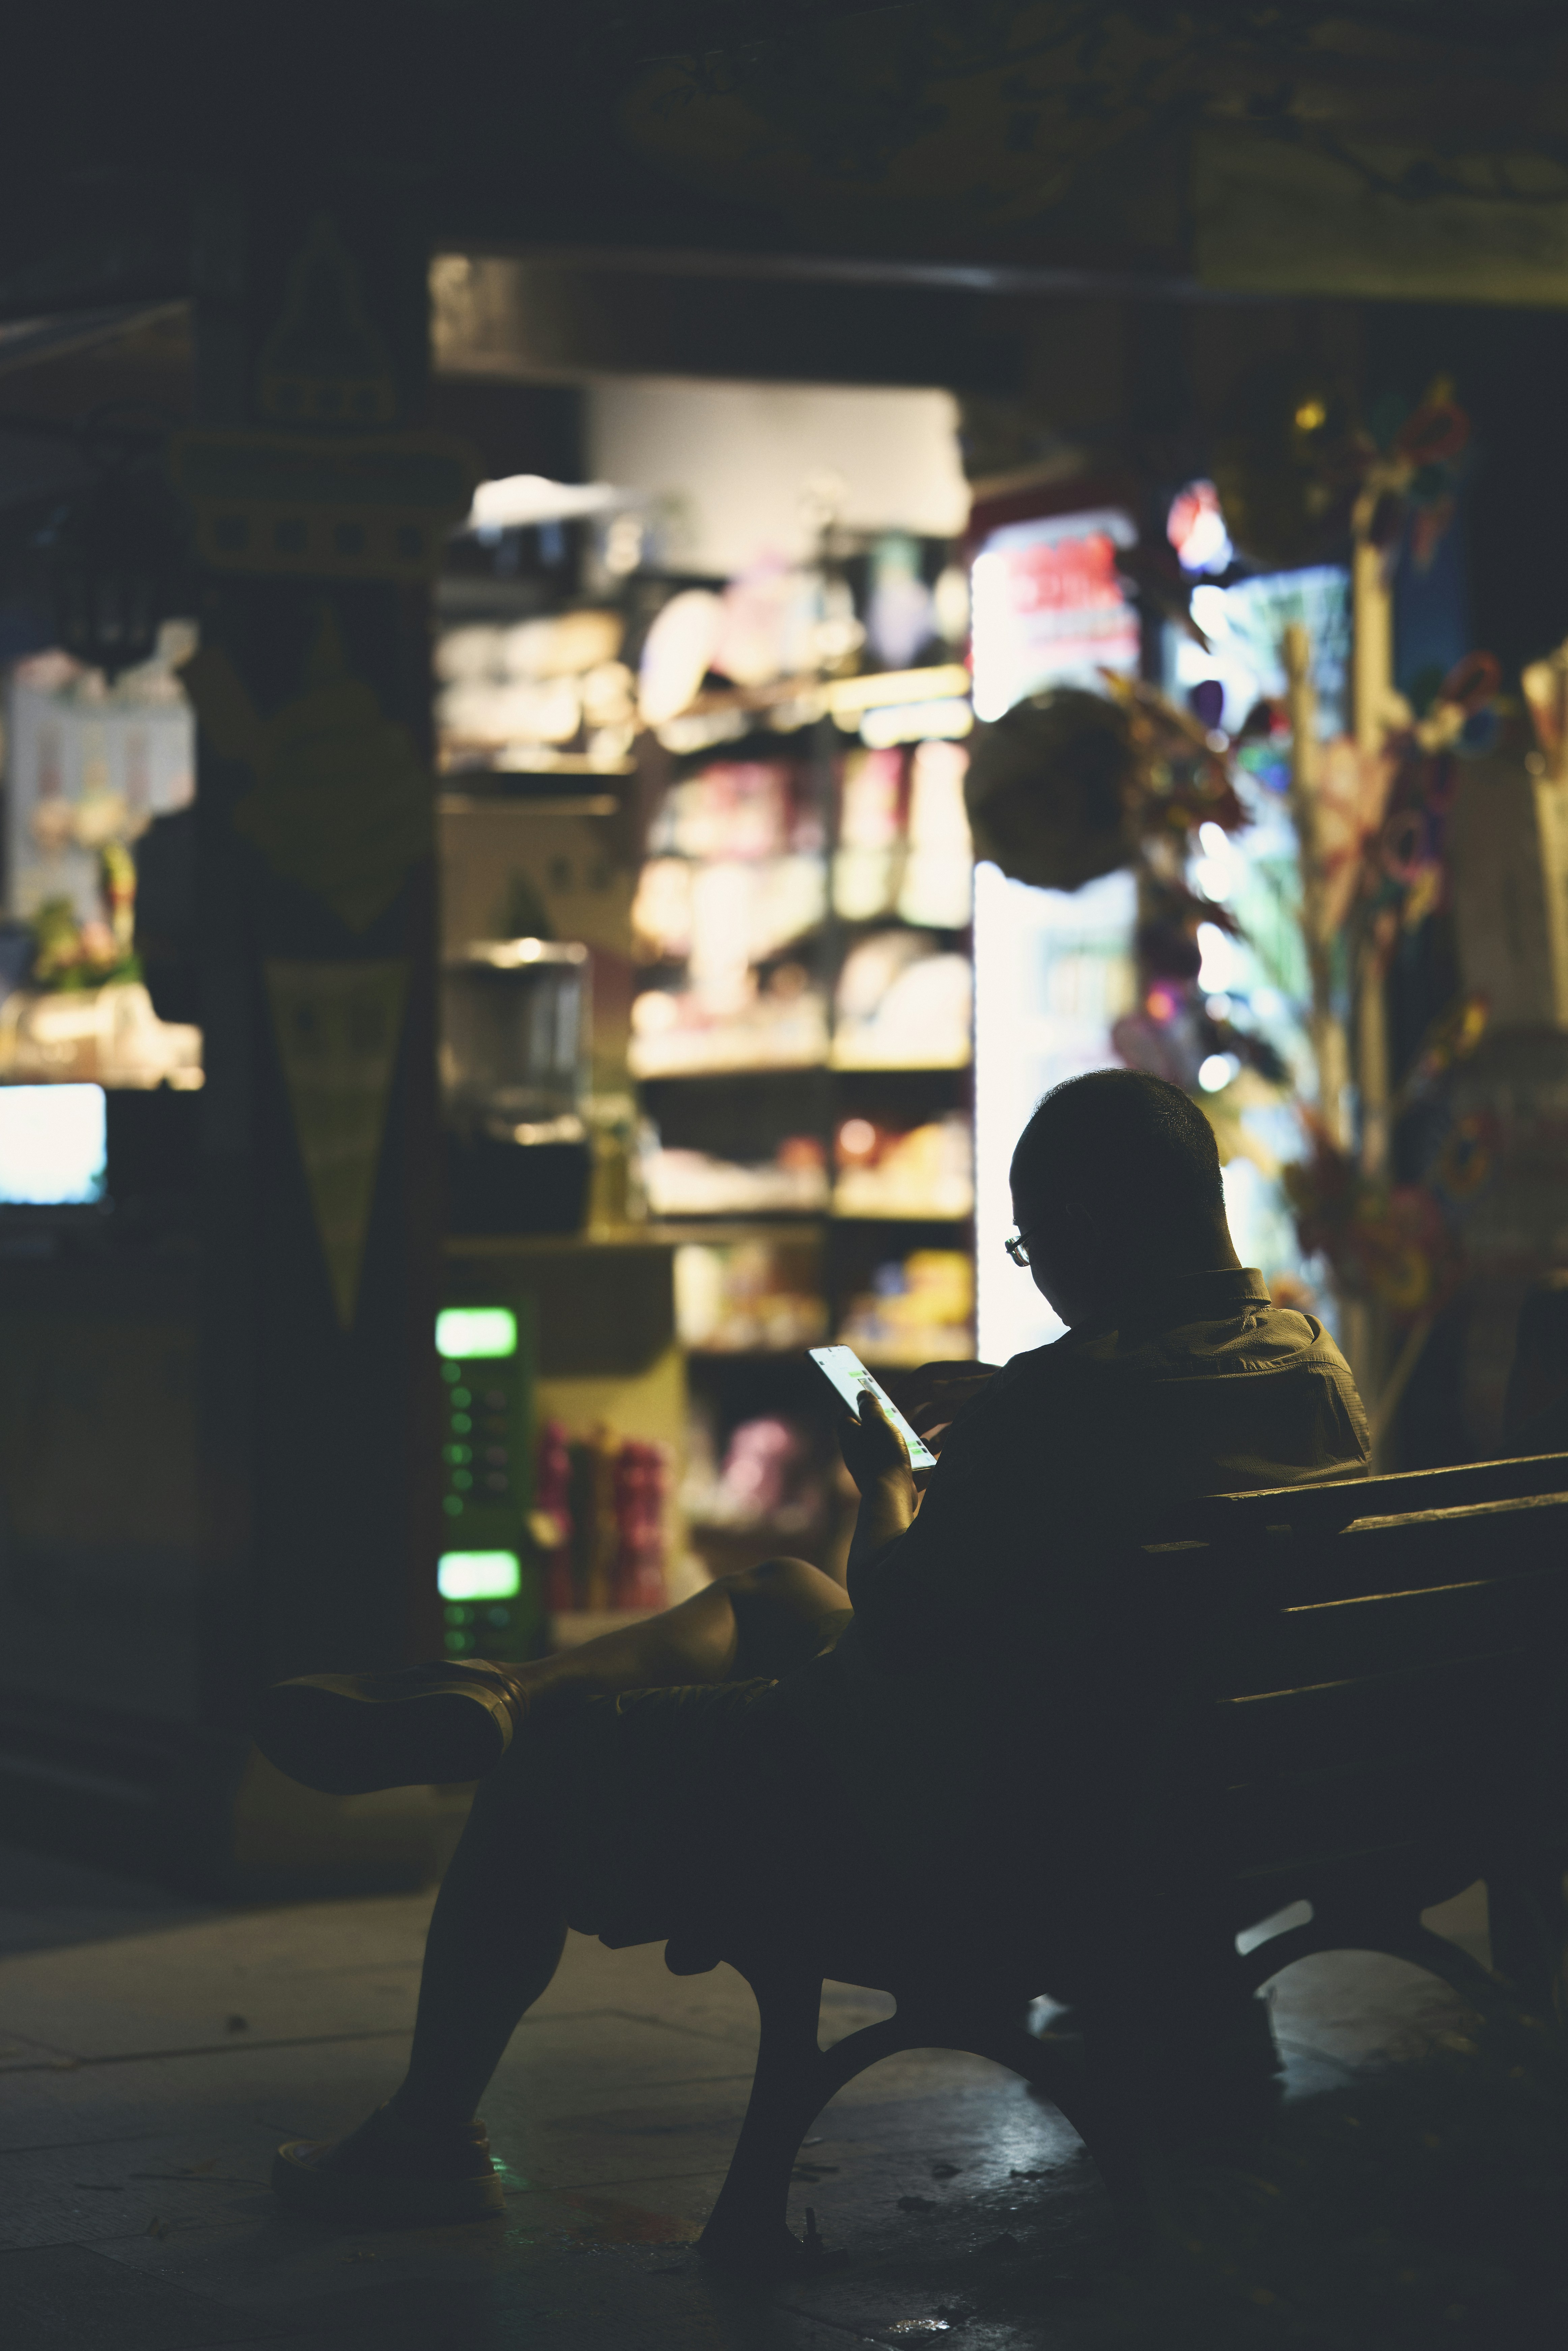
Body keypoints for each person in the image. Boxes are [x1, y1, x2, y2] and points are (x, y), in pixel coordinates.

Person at [257, 1069, 1368, 2236]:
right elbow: (1129, 1479)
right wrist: (1008, 1421)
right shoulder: (1312, 1372)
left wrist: (885, 1483)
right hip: (1149, 1806)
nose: (1040, 1277)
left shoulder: (1062, 1410)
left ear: (1085, 1229)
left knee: (548, 1774)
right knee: (783, 1591)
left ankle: (430, 2126)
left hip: (952, 1834)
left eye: (1034, 1250)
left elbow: (891, 1605)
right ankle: (502, 1686)